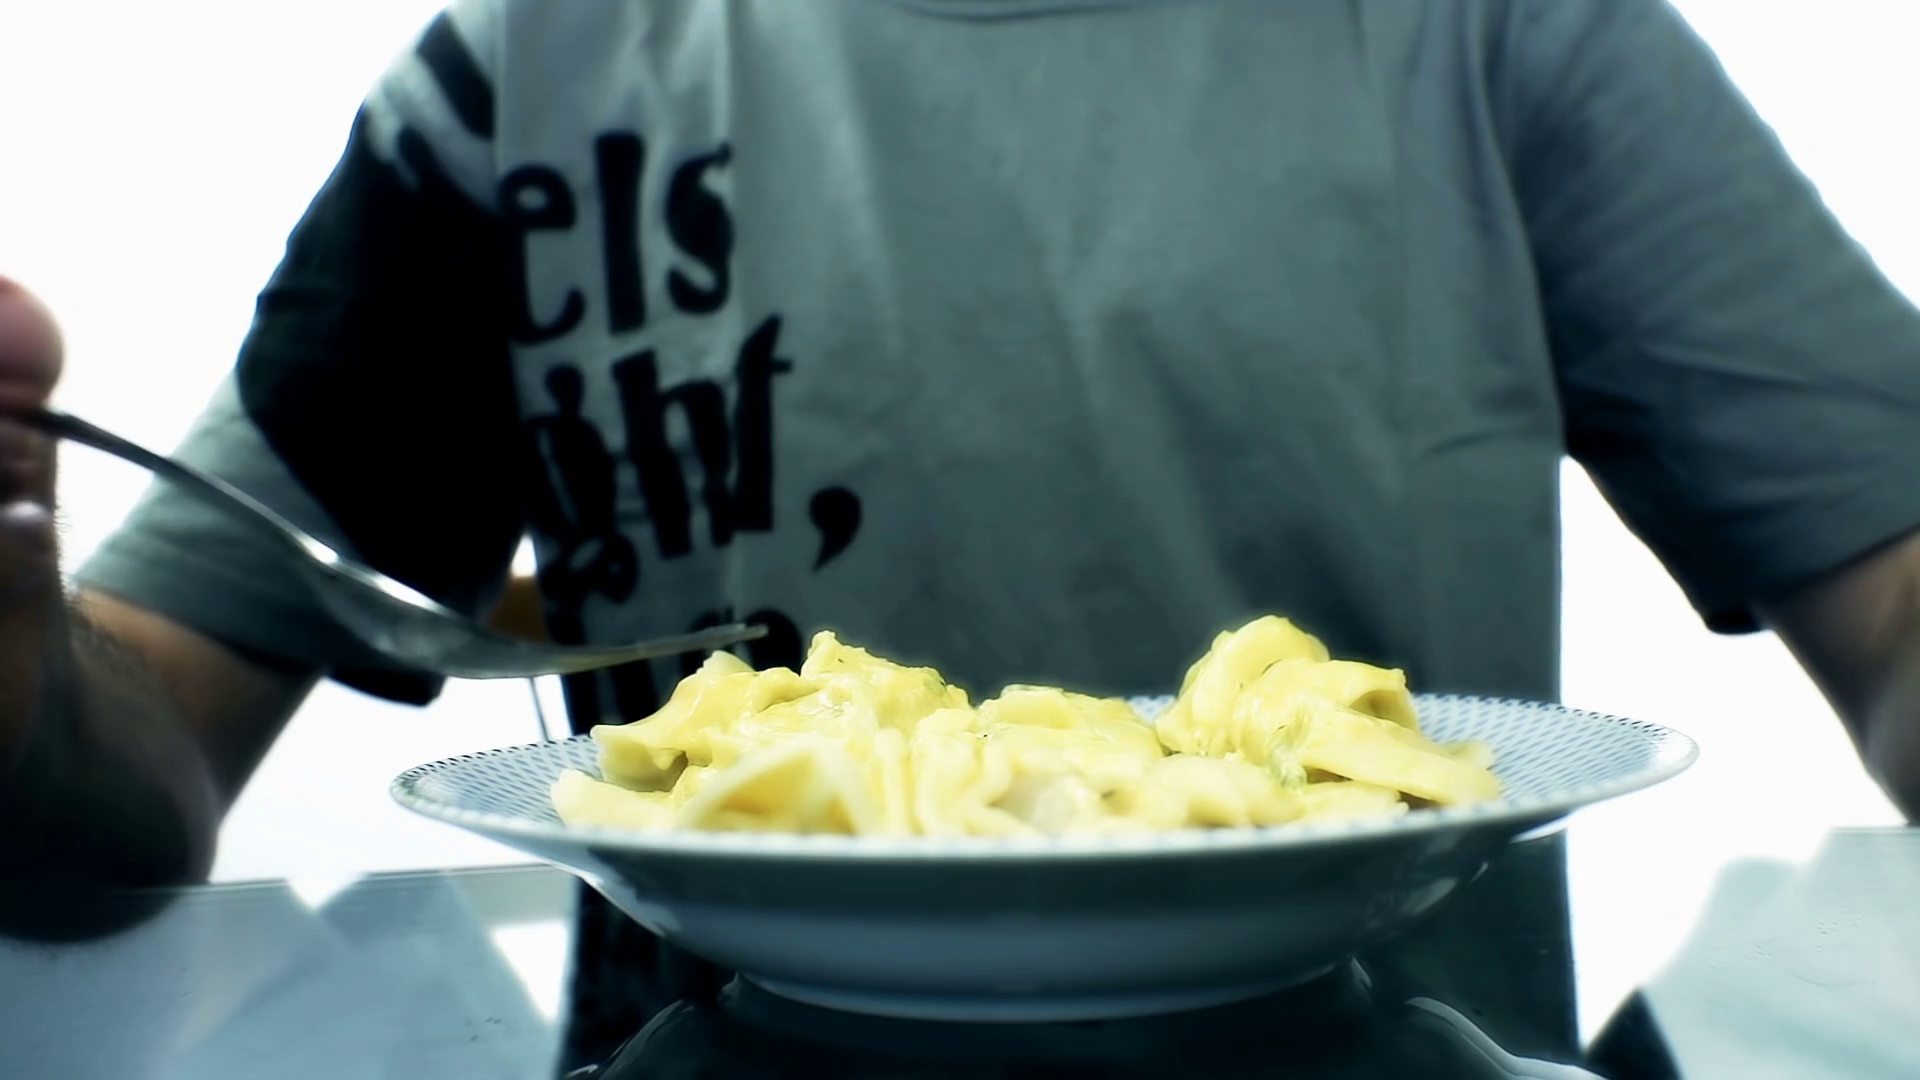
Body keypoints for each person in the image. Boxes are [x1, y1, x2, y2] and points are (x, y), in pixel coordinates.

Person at [4, 0, 1919, 1067]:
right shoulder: (521, 72)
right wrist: (12, 651)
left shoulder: (1500, 31)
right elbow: (142, 753)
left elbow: (1899, 611)